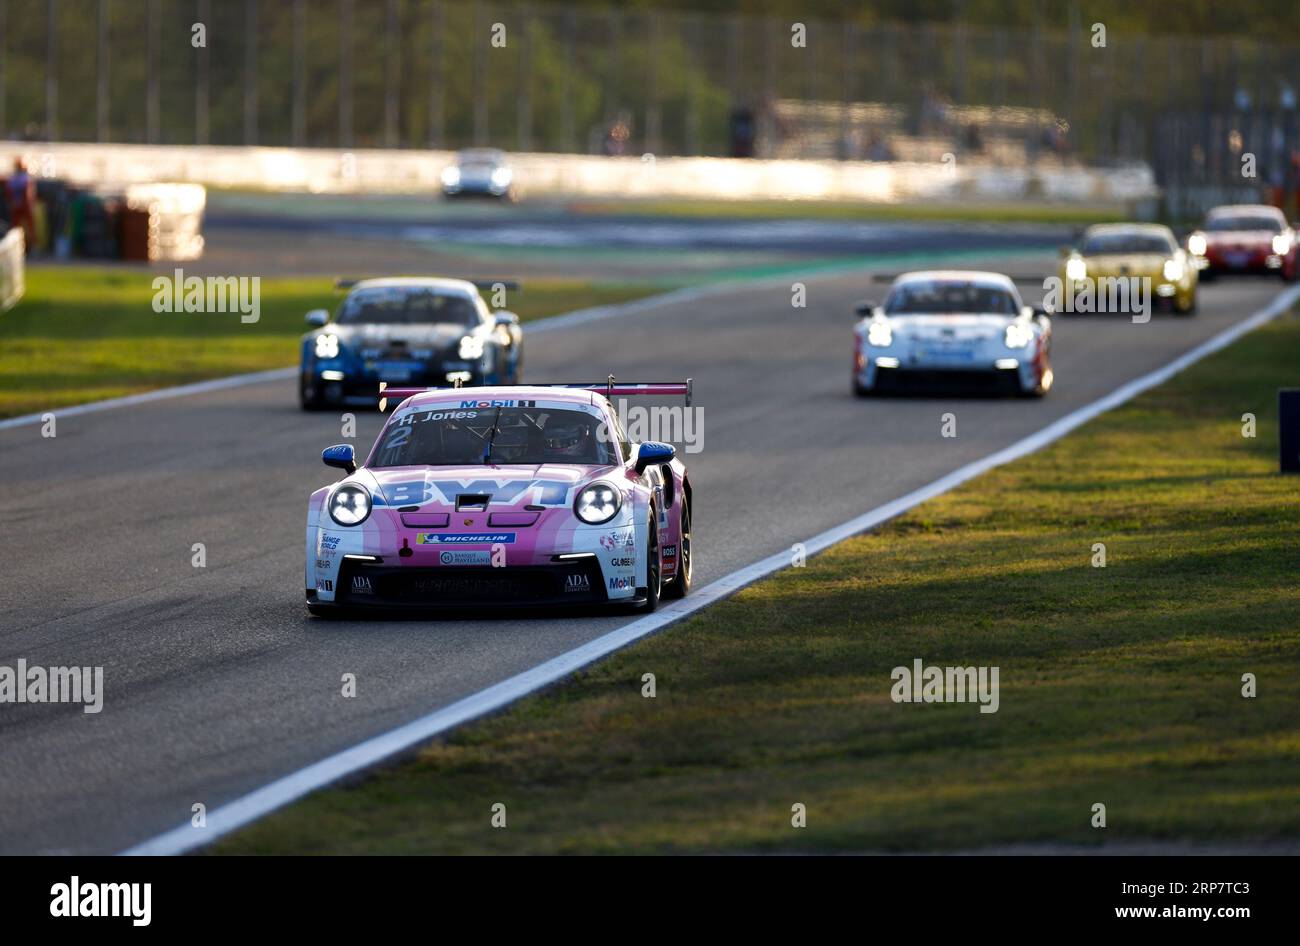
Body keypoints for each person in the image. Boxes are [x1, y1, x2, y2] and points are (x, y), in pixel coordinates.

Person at [4, 158, 36, 254]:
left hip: (23, 207)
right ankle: (19, 248)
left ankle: (32, 247)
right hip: (18, 206)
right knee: (15, 230)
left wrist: (24, 203)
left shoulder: (24, 178)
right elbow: (9, 192)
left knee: (28, 227)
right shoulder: (15, 178)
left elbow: (27, 193)